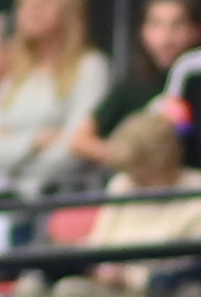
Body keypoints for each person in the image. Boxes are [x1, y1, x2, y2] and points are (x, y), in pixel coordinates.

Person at [0, 0, 110, 199]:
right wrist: (34, 141)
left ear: (68, 9)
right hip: (8, 201)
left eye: (45, 1)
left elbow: (73, 149)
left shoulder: (90, 68)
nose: (32, 10)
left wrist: (16, 167)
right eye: (25, 2)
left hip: (61, 200)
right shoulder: (16, 76)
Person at [18, 111, 201, 297]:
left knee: (71, 291)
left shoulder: (195, 194)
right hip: (104, 277)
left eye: (142, 177)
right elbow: (101, 241)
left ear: (165, 164)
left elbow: (185, 271)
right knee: (32, 283)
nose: (134, 183)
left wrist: (129, 277)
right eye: (131, 175)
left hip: (152, 289)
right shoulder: (122, 184)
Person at [72, 0, 201, 169]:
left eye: (177, 25)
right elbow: (80, 140)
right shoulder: (131, 87)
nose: (166, 38)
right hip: (142, 188)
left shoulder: (195, 82)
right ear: (142, 31)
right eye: (156, 25)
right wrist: (131, 159)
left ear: (196, 30)